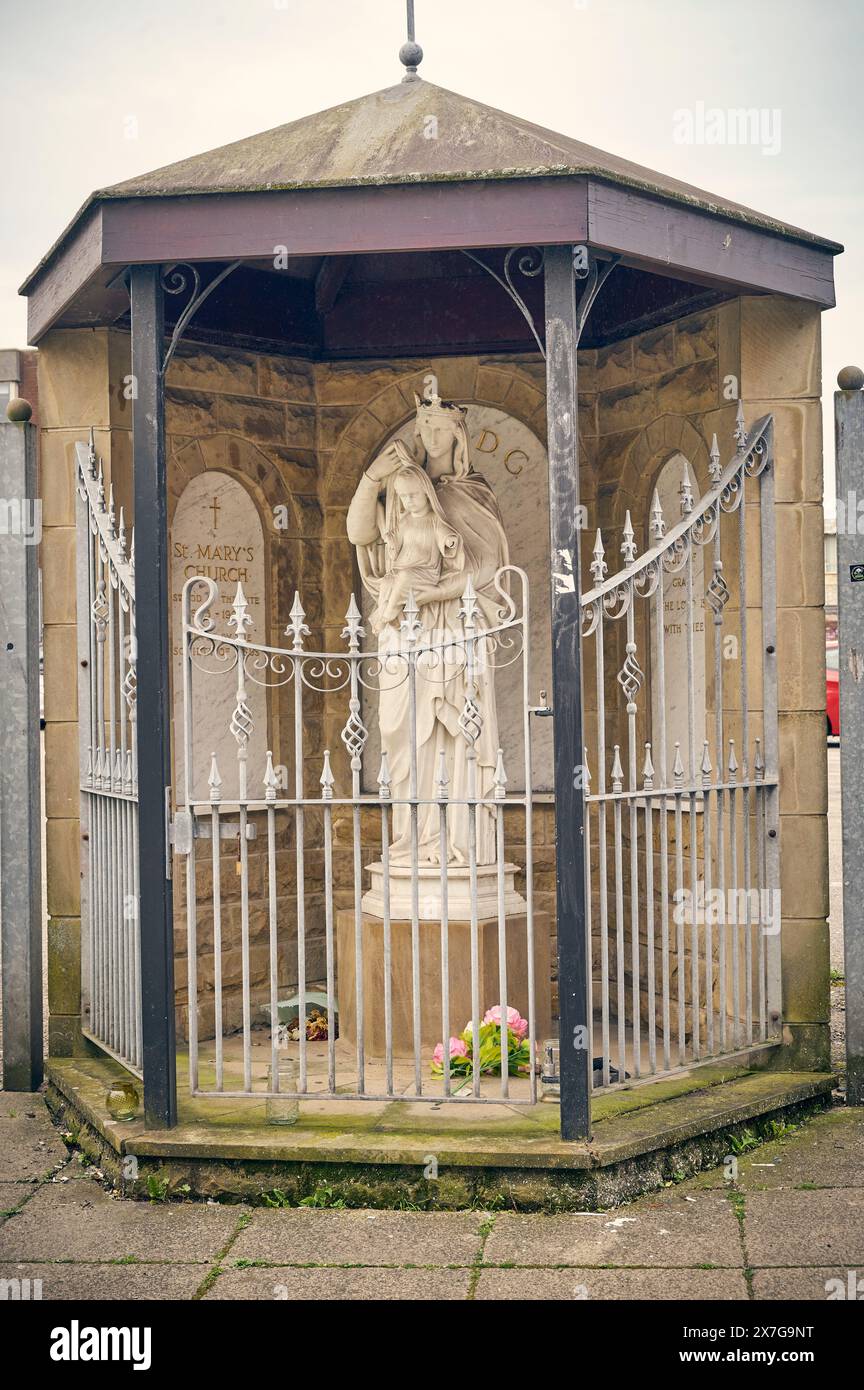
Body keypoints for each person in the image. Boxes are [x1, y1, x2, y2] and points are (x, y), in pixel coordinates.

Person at [347, 393, 509, 866]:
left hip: (457, 627)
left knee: (460, 732)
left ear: (458, 435)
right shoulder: (399, 490)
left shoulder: (473, 493)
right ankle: (413, 840)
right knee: (402, 729)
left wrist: (432, 594)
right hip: (405, 631)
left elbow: (489, 570)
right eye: (424, 427)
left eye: (440, 429)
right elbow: (360, 534)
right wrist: (371, 478)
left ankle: (462, 842)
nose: (430, 437)